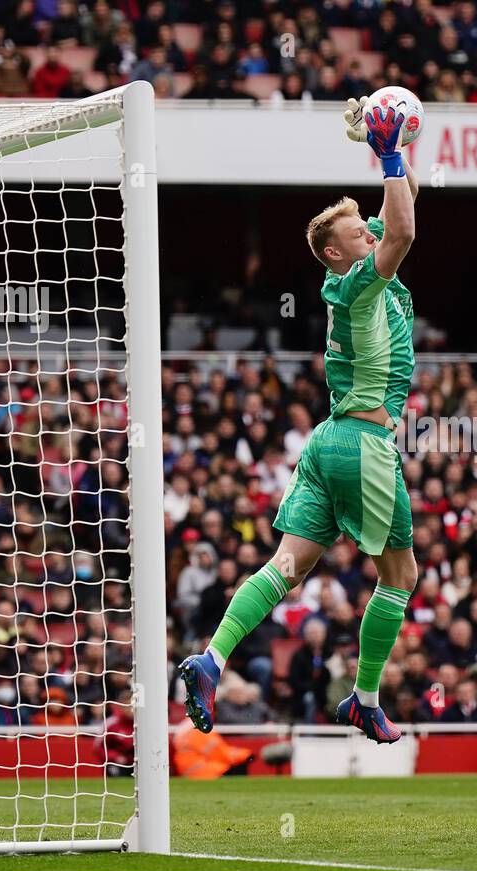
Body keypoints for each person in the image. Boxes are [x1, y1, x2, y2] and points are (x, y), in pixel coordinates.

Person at [179, 95, 420, 745]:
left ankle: (211, 660)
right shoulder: (357, 283)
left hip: (329, 442)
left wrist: (389, 144)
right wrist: (391, 152)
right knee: (402, 575)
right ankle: (364, 698)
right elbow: (402, 231)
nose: (368, 234)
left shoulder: (366, 276)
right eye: (356, 235)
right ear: (337, 255)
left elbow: (400, 211)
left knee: (286, 566)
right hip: (365, 442)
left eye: (366, 229)